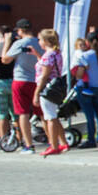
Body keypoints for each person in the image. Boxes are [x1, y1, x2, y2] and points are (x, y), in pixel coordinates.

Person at [2, 18, 42, 154]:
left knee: (22, 113)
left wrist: (7, 42)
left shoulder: (20, 43)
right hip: (37, 80)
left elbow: (5, 60)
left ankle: (29, 145)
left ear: (20, 31)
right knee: (42, 114)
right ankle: (53, 143)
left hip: (20, 80)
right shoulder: (40, 42)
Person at [33, 28, 68, 157]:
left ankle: (54, 145)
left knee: (50, 118)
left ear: (46, 41)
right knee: (53, 115)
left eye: (40, 39)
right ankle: (63, 142)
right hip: (55, 88)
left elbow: (44, 75)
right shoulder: (56, 53)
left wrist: (36, 93)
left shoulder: (48, 55)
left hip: (47, 89)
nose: (39, 42)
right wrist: (37, 56)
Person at [71, 36, 98, 148]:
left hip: (85, 88)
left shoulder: (83, 55)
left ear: (87, 42)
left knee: (89, 115)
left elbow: (80, 74)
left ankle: (91, 139)